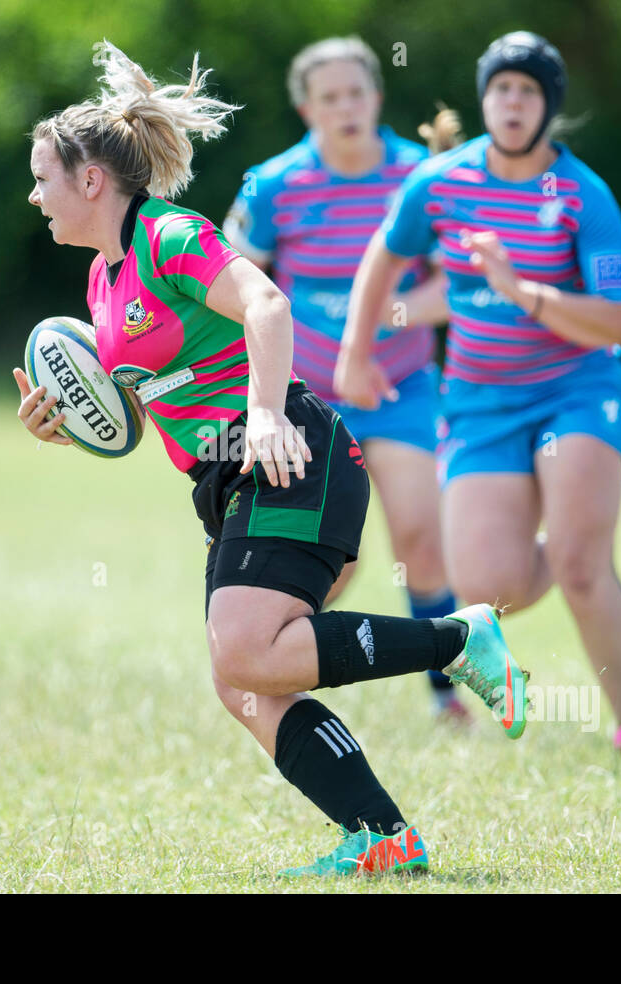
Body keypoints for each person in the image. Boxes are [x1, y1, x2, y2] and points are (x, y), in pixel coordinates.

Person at [15, 40, 532, 877]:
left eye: (43, 177)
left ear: (90, 180)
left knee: (248, 651)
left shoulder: (170, 236)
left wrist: (261, 415)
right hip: (224, 482)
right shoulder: (104, 288)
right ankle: (384, 838)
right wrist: (67, 421)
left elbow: (267, 304)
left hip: (290, 450)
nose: (34, 195)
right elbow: (147, 404)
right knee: (244, 679)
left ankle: (456, 638)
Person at [337, 31, 621, 770]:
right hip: (481, 402)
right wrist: (356, 352)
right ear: (486, 100)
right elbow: (382, 258)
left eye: (528, 91)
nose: (513, 102)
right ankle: (572, 541)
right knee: (491, 590)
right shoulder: (442, 182)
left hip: (577, 394)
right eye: (501, 89)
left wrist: (527, 294)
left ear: (549, 106)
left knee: (582, 574)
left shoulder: (583, 193)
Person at [222, 37, 472, 723]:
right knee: (333, 564)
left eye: (356, 93)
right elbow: (228, 289)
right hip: (305, 404)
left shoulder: (421, 175)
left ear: (378, 98)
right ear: (306, 107)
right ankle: (271, 664)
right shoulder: (272, 184)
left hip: (401, 388)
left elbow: (461, 285)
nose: (346, 108)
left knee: (420, 540)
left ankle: (448, 694)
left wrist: (388, 316)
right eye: (329, 97)